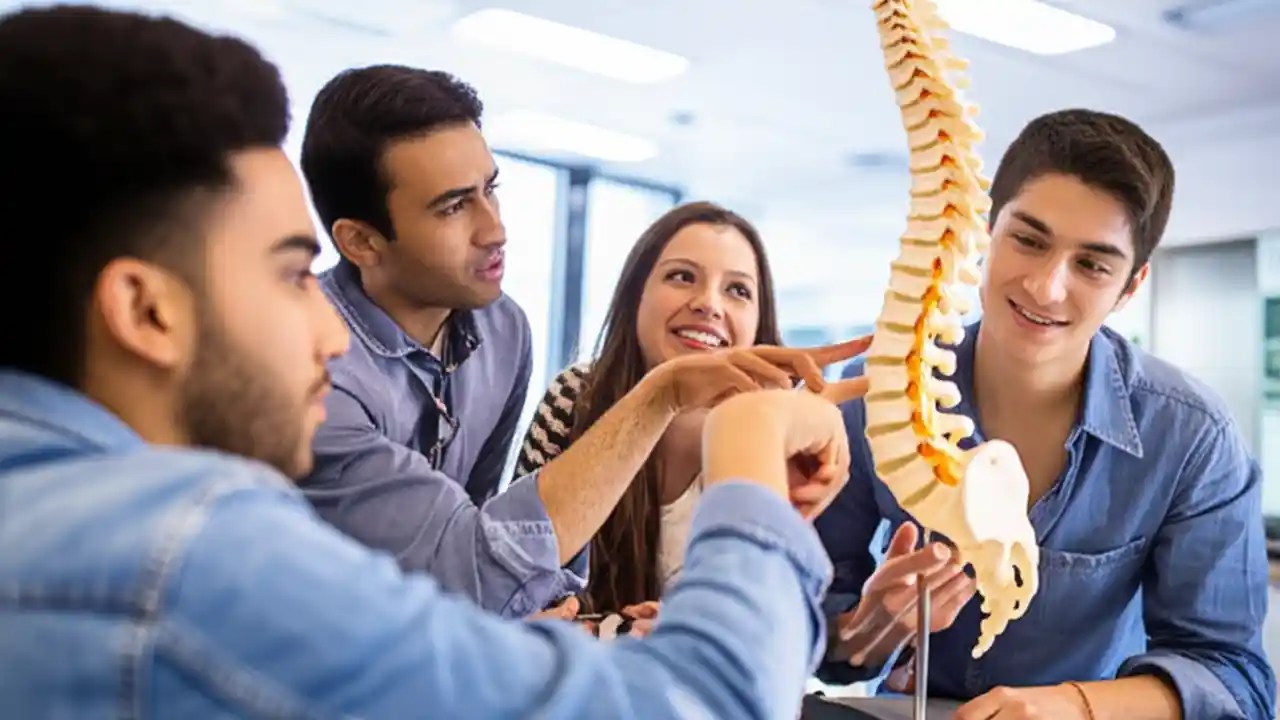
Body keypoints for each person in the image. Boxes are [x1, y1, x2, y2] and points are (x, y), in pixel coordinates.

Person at [0, 5, 892, 718]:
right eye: (286, 273)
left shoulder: (43, 499)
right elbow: (710, 700)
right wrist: (750, 452)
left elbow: (472, 568)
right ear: (144, 310)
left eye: (492, 189)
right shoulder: (193, 553)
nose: (331, 333)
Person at [815, 108, 1276, 720]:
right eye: (1028, 240)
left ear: (1130, 287)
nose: (1046, 287)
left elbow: (1234, 676)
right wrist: (863, 630)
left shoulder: (1192, 436)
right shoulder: (878, 389)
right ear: (986, 234)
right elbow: (815, 624)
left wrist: (1074, 706)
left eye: (1091, 265)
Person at [516, 201, 797, 619]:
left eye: (737, 290)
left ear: (760, 322)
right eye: (682, 277)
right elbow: (518, 582)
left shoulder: (779, 434)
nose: (708, 303)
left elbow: (779, 621)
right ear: (636, 295)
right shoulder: (575, 399)